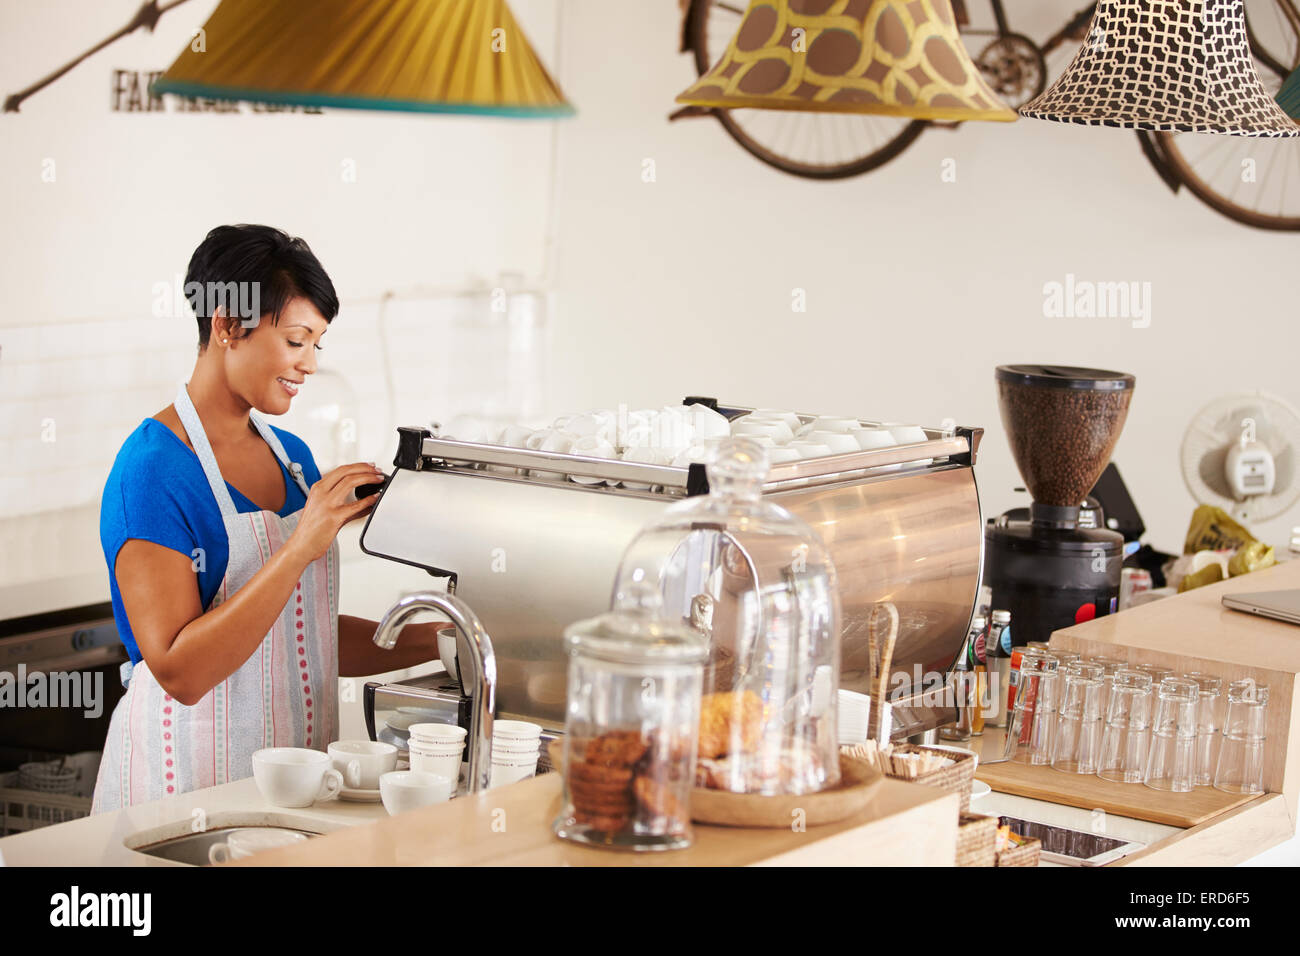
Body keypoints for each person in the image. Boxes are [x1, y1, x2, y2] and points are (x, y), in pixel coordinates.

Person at [92, 224, 442, 811]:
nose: (308, 364)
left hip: (292, 796)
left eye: (317, 345)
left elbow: (300, 638)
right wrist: (301, 543)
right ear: (228, 325)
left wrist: (441, 641)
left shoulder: (294, 460)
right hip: (183, 797)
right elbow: (181, 672)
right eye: (296, 340)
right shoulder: (152, 472)